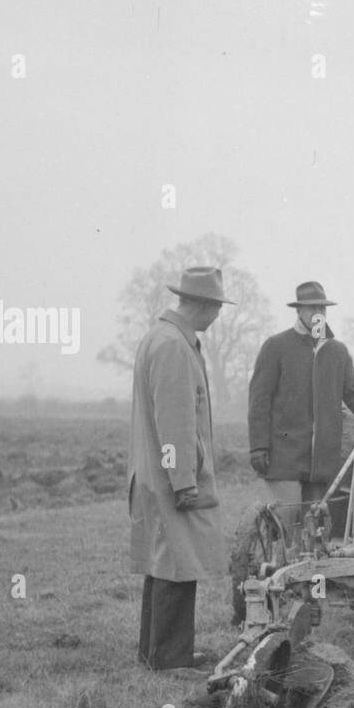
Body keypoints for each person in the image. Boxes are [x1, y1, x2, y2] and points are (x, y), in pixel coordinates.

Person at [129, 266, 231, 671]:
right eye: (217, 306)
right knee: (177, 564)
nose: (218, 315)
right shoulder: (173, 345)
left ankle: (156, 653)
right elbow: (175, 421)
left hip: (157, 476)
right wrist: (184, 482)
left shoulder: (163, 337)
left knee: (164, 563)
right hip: (171, 478)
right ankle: (171, 662)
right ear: (203, 305)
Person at [247, 281, 354, 538]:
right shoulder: (276, 346)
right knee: (287, 519)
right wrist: (258, 446)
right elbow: (259, 400)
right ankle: (270, 572)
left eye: (321, 308)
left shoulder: (337, 352)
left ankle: (307, 577)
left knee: (314, 524)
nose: (316, 313)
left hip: (321, 460)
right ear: (298, 311)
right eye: (310, 308)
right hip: (284, 455)